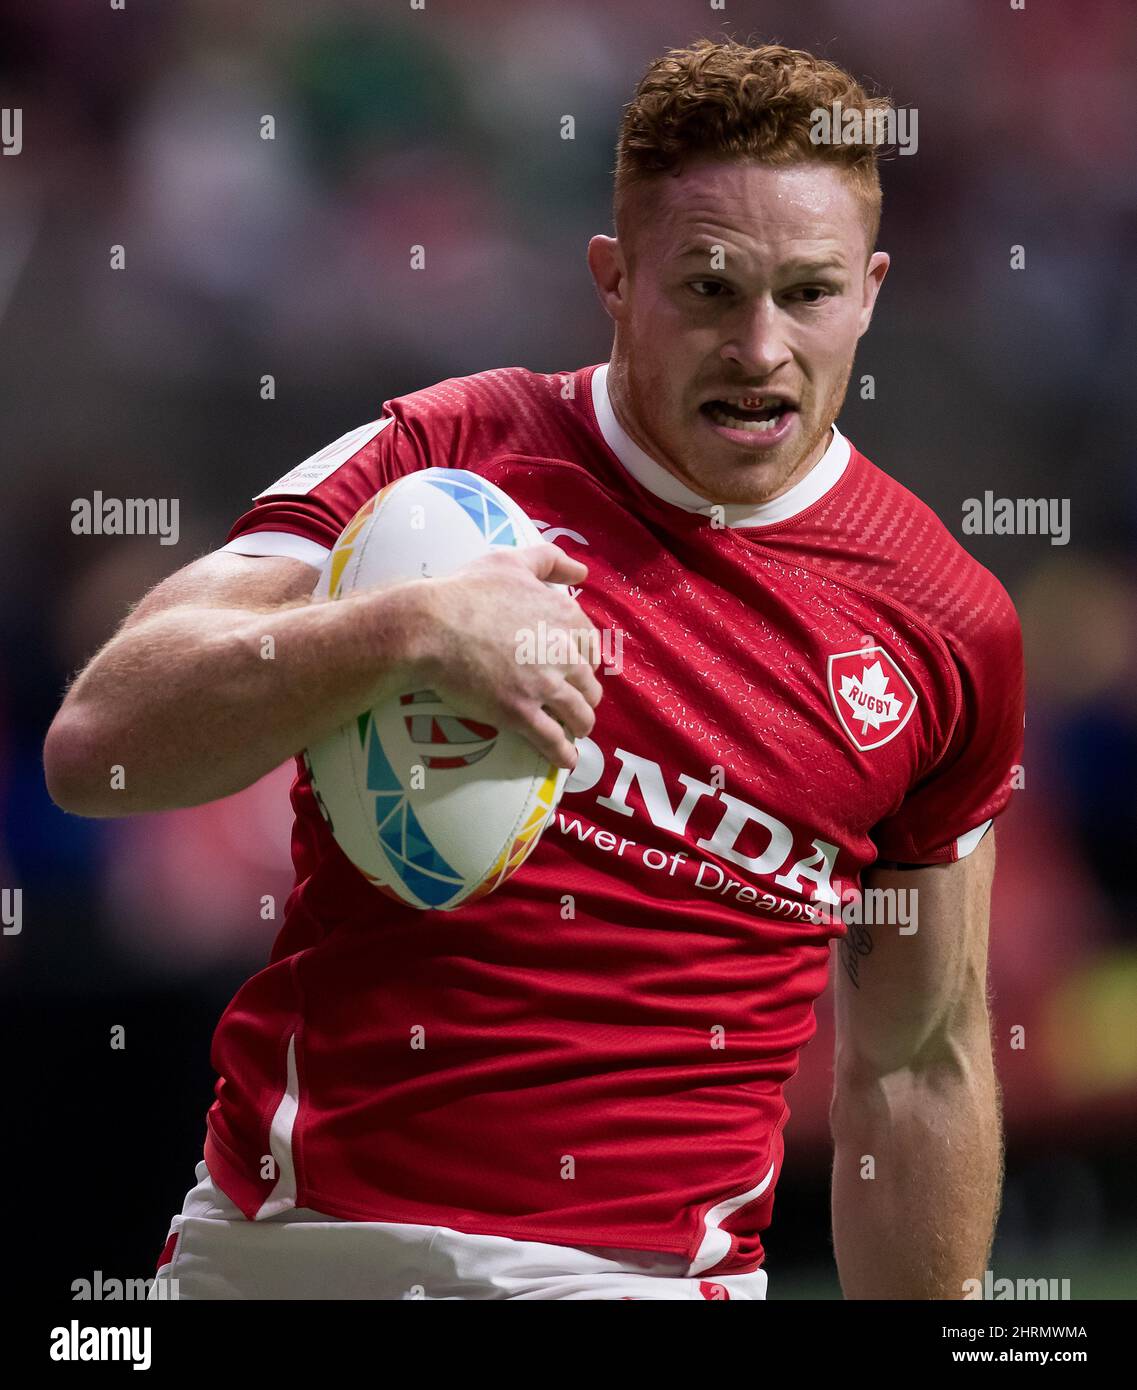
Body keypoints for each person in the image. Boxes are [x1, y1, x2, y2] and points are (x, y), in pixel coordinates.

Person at [44, 39, 1024, 1300]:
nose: (763, 347)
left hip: (633, 1278)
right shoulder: (444, 457)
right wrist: (404, 632)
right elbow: (98, 745)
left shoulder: (944, 625)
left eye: (810, 293)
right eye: (712, 290)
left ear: (874, 292)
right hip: (286, 1248)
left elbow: (919, 1065)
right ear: (613, 280)